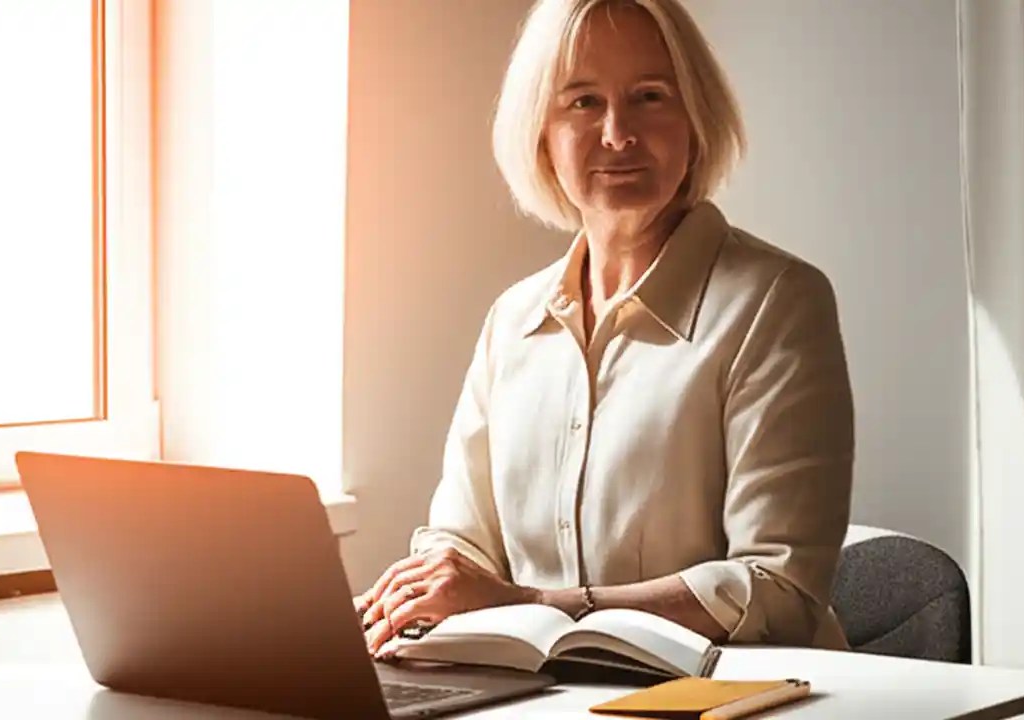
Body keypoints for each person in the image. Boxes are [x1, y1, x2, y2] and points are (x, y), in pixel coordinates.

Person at [355, 0, 854, 656]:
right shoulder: (512, 321)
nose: (618, 134)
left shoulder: (777, 303)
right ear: (541, 132)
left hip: (736, 695)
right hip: (542, 695)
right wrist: (422, 590)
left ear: (697, 117)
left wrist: (537, 606)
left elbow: (778, 590)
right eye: (584, 102)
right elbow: (463, 541)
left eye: (650, 96)